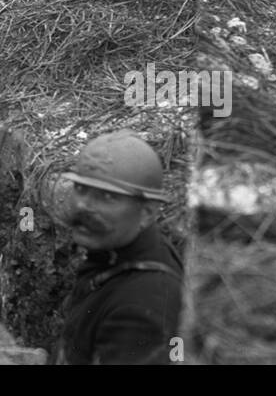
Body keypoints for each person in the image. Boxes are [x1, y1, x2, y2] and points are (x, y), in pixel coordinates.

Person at [56, 130, 183, 365]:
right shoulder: (115, 253)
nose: (84, 206)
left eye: (107, 197)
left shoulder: (143, 306)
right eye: (82, 189)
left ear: (147, 212)